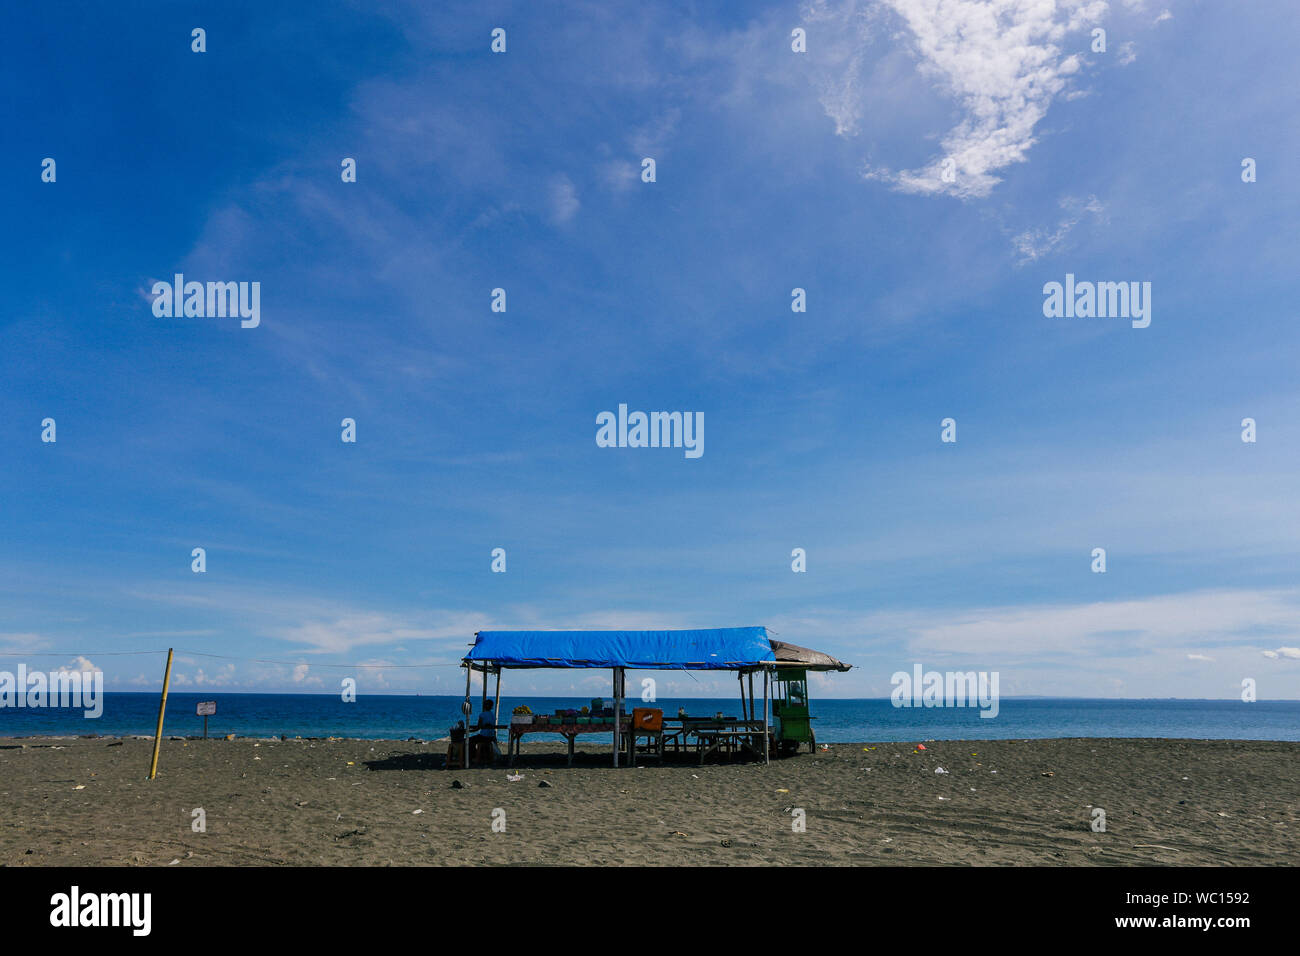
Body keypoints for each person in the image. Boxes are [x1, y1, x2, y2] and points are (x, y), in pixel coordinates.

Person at [471, 700, 498, 765]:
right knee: (476, 738)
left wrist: (470, 731)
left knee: (470, 741)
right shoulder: (493, 715)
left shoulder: (482, 715)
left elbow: (478, 727)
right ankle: (483, 756)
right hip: (491, 737)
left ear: (484, 706)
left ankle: (476, 757)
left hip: (484, 737)